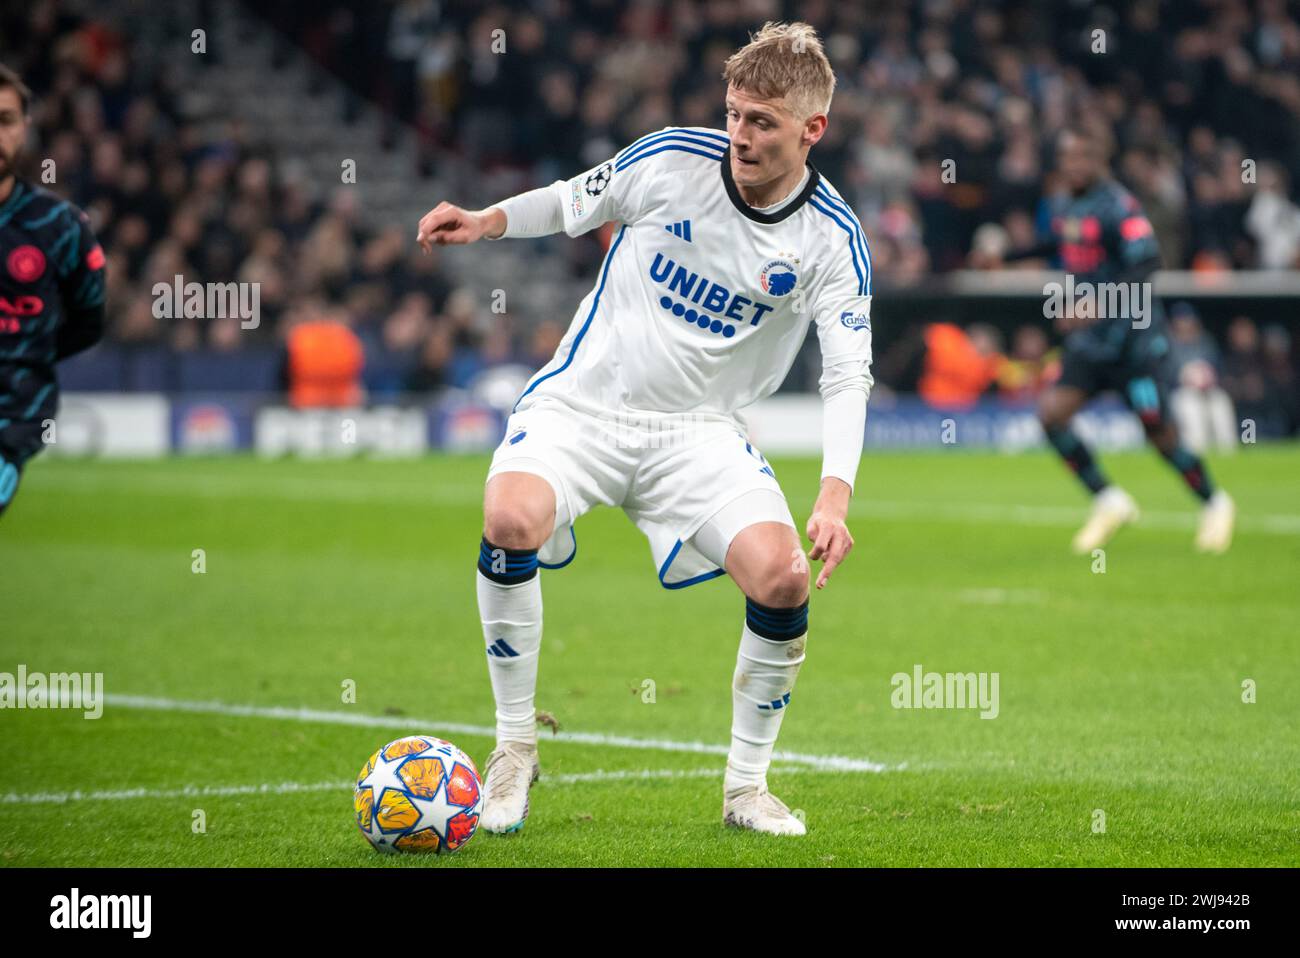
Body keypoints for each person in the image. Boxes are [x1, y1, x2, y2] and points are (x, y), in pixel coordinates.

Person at [414, 22, 873, 837]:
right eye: (734, 113)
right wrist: (488, 220)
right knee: (510, 518)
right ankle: (515, 749)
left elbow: (846, 371)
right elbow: (572, 200)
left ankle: (746, 790)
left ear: (813, 131)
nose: (740, 135)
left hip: (700, 433)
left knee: (782, 579)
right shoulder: (670, 158)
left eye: (763, 122)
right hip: (585, 404)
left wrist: (834, 494)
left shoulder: (831, 240)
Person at [984, 127, 1234, 554]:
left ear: (1101, 160)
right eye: (1068, 158)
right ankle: (1110, 500)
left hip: (1133, 343)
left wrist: (1096, 302)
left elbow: (1149, 261)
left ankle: (1215, 502)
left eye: (1083, 158)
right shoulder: (1066, 204)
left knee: (1160, 435)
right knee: (1050, 416)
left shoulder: (1120, 206)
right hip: (1090, 346)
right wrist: (1004, 258)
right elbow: (1056, 243)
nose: (1075, 166)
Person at [0, 65, 107, 519]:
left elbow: (88, 322)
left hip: (8, 418)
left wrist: (26, 354)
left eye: (4, 120)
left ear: (25, 127)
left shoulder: (58, 227)